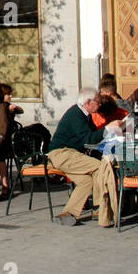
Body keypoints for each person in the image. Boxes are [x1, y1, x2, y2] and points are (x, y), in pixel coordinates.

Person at [45, 91, 107, 226]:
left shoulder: (85, 115)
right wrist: (108, 129)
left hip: (69, 154)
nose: (100, 104)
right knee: (100, 166)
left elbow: (93, 134)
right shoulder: (76, 115)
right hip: (62, 153)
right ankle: (98, 208)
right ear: (88, 103)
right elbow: (89, 138)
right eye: (98, 101)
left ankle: (68, 213)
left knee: (86, 181)